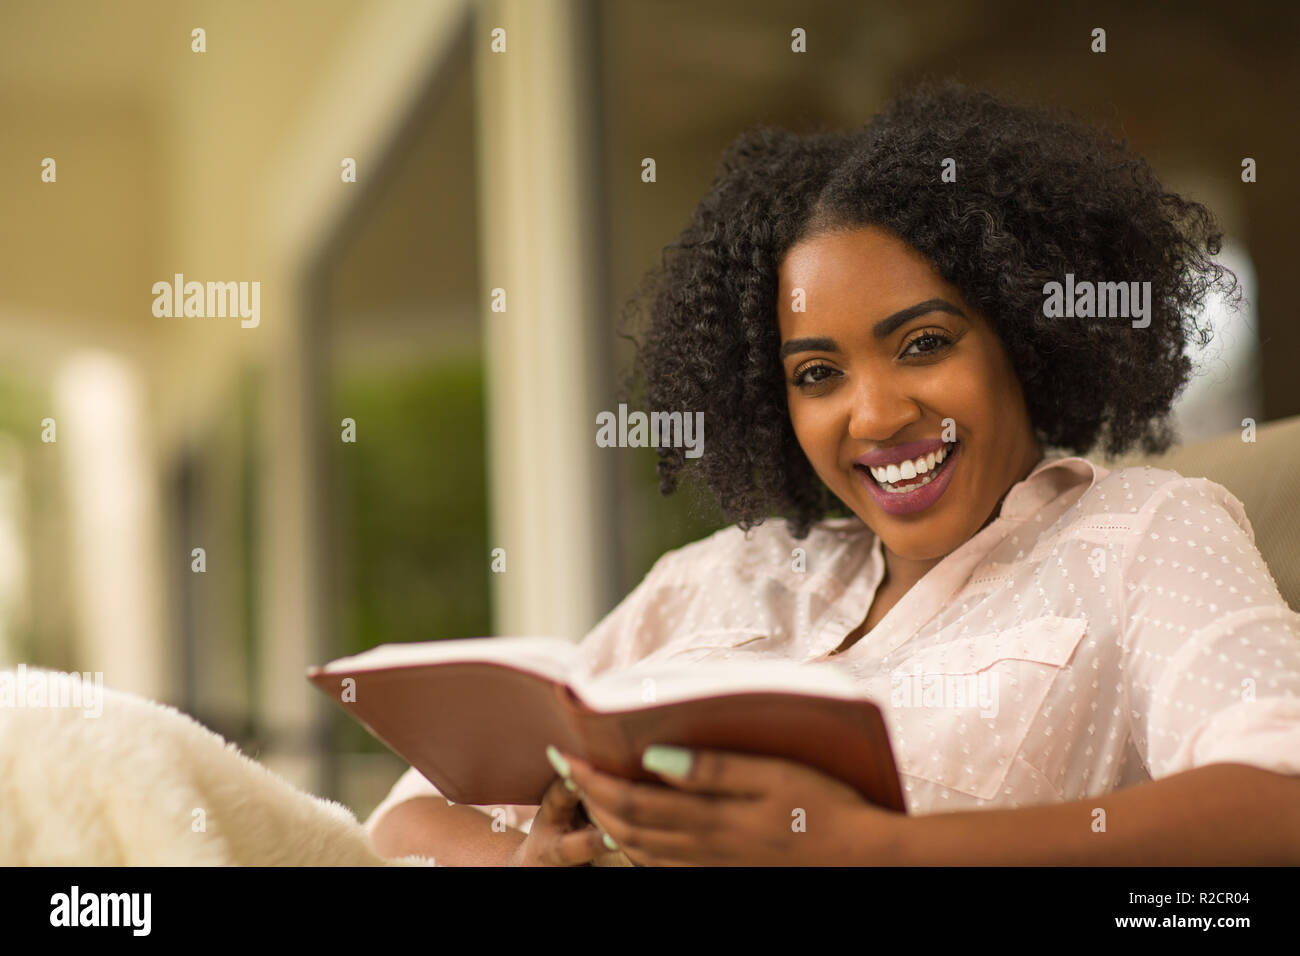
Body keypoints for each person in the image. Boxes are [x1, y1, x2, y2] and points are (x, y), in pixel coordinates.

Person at [367, 80, 1300, 866]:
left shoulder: (1139, 536)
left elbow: (1281, 798)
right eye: (818, 374)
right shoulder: (721, 578)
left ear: (1023, 337)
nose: (877, 414)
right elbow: (407, 815)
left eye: (924, 344)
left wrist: (873, 849)